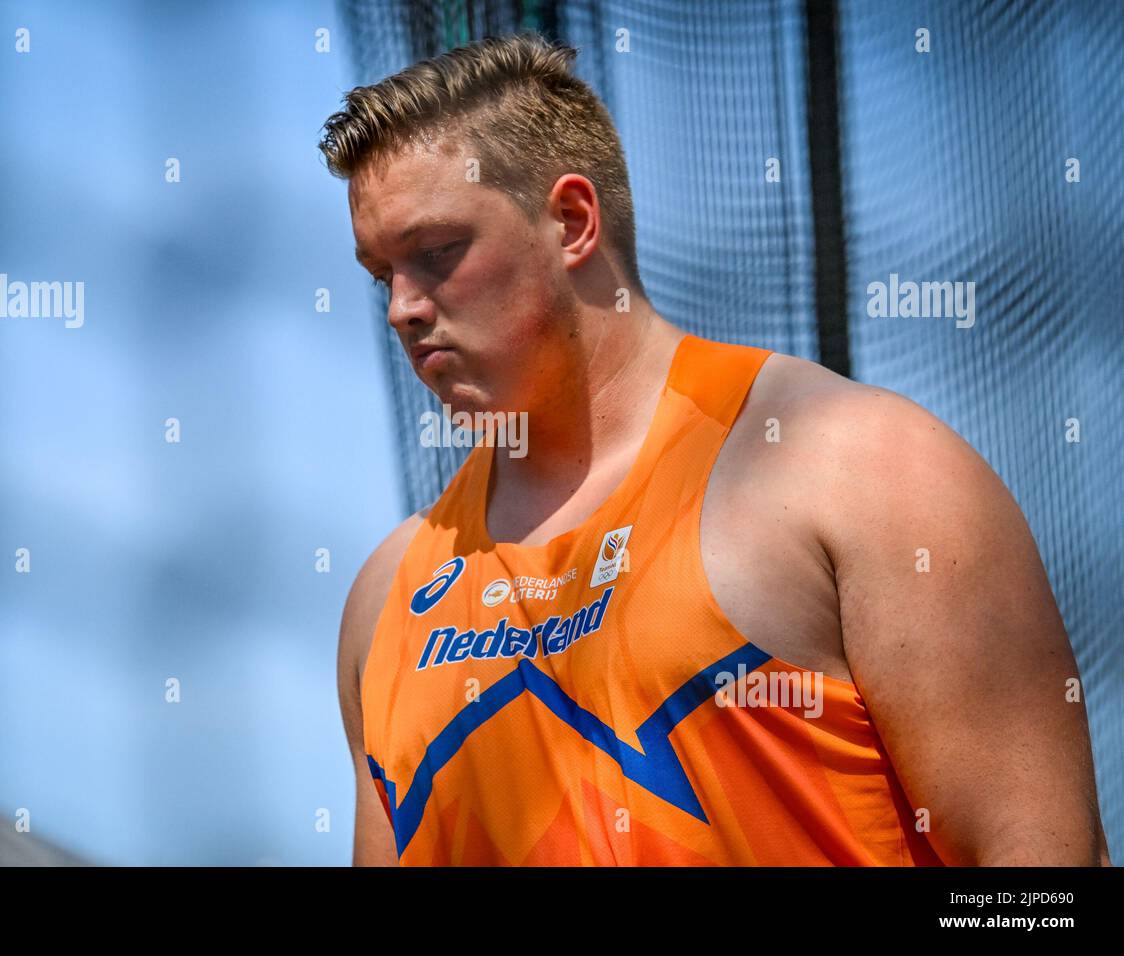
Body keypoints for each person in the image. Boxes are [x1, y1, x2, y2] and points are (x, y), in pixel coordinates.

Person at [318, 32, 1110, 866]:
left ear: (573, 221)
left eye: (437, 253)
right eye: (381, 275)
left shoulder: (853, 466)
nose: (402, 308)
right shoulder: (388, 601)